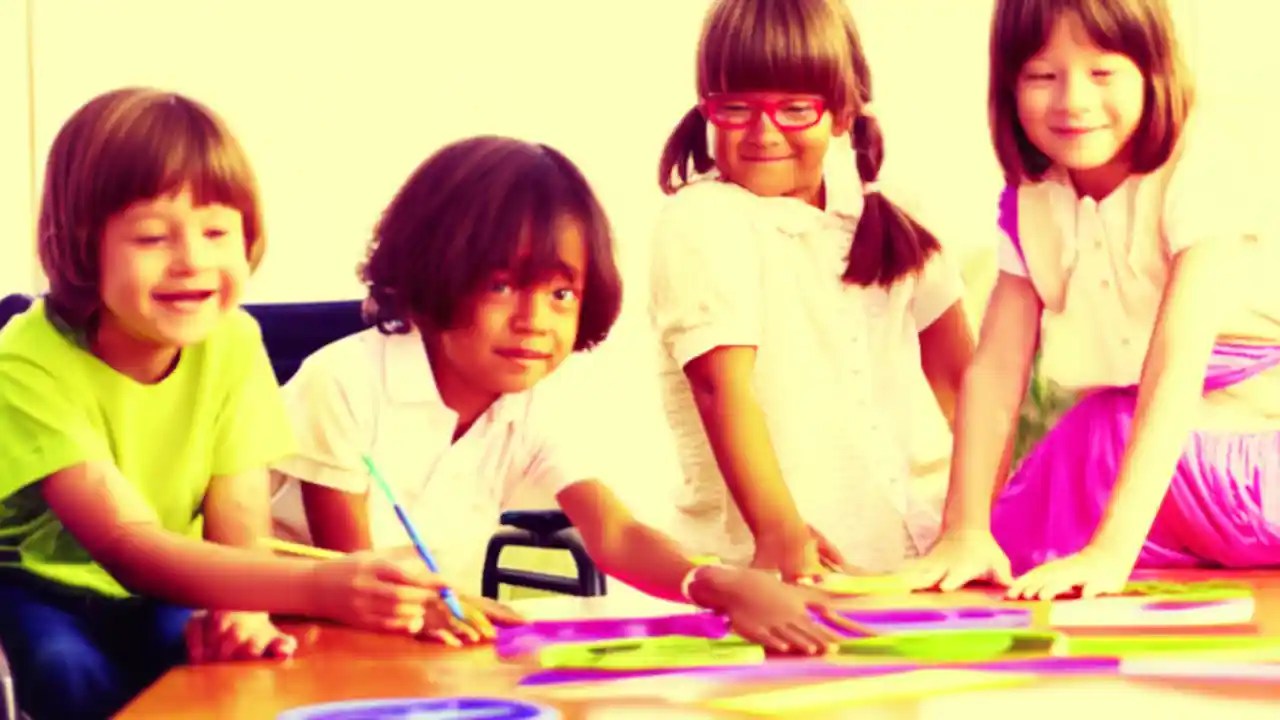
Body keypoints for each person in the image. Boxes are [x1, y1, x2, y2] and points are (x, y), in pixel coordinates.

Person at [650, 0, 974, 581]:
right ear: (707, 110)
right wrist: (780, 532)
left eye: (795, 108)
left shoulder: (897, 213)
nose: (764, 132)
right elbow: (721, 389)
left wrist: (972, 521)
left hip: (914, 556)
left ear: (842, 113)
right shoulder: (704, 220)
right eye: (737, 108)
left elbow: (960, 380)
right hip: (773, 571)